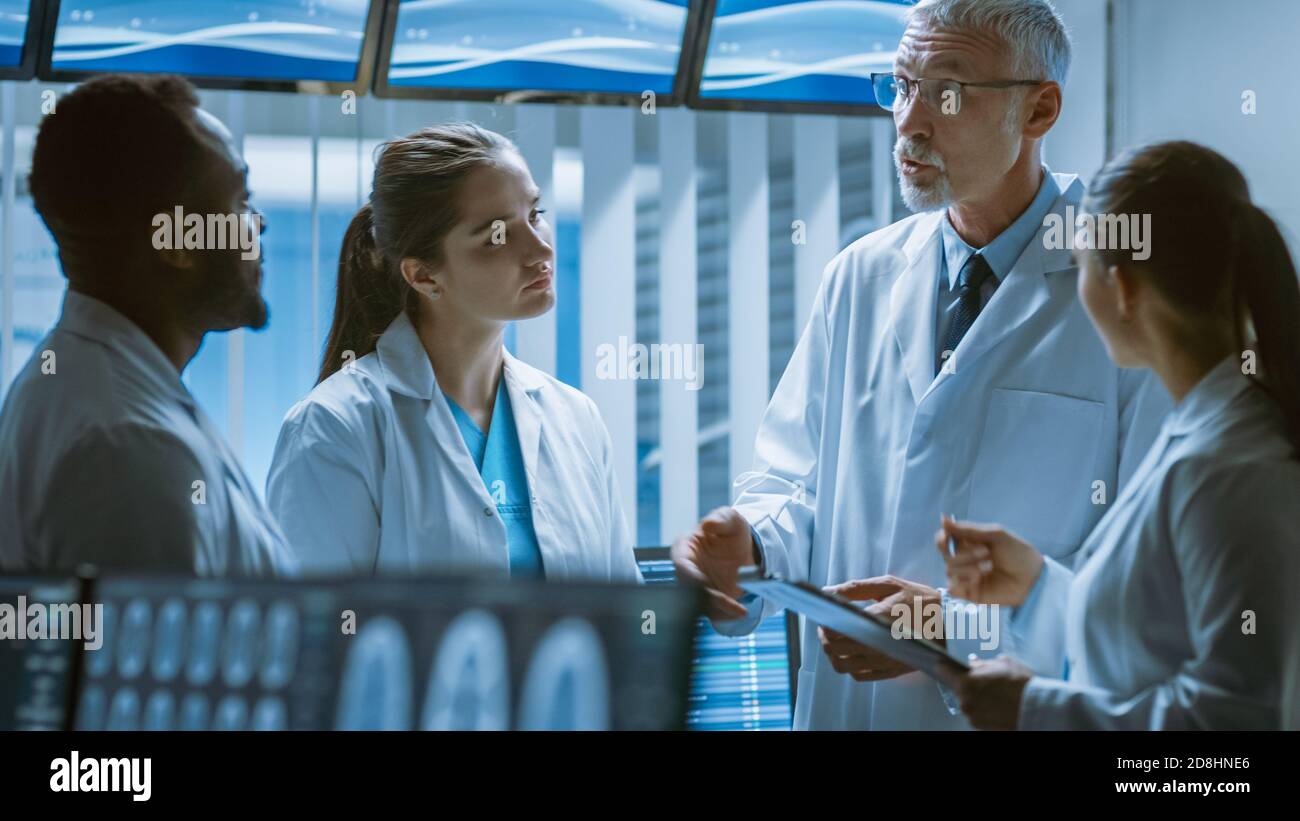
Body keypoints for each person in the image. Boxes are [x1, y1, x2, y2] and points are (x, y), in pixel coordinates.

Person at [670, 0, 1171, 730]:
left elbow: (1155, 583)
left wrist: (964, 629)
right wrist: (749, 542)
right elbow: (796, 481)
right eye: (901, 85)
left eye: (948, 92)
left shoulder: (1127, 286)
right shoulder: (859, 276)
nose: (909, 120)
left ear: (1039, 110)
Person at [937, 141, 1300, 730]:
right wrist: (1035, 588)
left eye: (1081, 268)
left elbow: (1235, 742)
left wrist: (1037, 712)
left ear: (1125, 289)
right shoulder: (1201, 432)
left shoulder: (1232, 469)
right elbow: (1146, 646)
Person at [267, 123, 640, 582]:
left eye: (536, 213)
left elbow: (622, 610)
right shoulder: (335, 428)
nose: (540, 247)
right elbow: (317, 635)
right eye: (497, 236)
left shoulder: (576, 418)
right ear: (424, 276)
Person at [0, 73, 295, 576]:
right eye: (240, 203)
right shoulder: (127, 446)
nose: (258, 224)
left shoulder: (98, 388)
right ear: (176, 242)